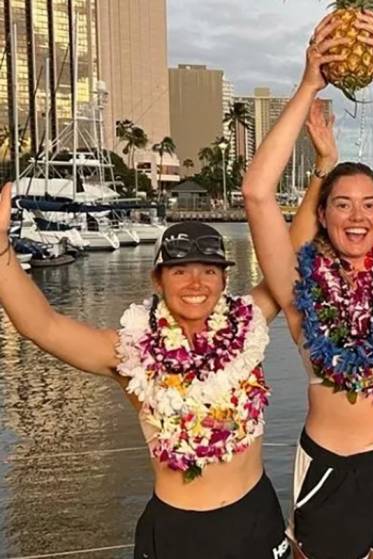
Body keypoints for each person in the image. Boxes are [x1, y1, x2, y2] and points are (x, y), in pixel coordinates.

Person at [242, 11, 373, 559]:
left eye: (370, 204)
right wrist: (308, 84)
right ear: (324, 214)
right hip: (332, 475)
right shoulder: (299, 288)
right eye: (342, 204)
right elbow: (257, 194)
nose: (357, 216)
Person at [0, 184, 291, 558]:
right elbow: (43, 326)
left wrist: (322, 165)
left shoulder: (249, 324)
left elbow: (287, 255)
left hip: (255, 517)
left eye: (208, 271)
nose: (195, 284)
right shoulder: (130, 350)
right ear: (158, 279)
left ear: (223, 280)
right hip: (177, 533)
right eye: (180, 270)